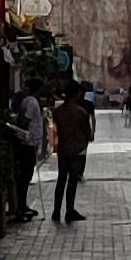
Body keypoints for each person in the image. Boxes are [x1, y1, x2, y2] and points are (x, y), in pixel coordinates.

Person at [50, 83, 95, 223]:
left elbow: (54, 130)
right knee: (72, 181)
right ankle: (69, 210)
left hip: (63, 149)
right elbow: (87, 132)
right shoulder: (80, 112)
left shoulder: (58, 112)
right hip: (76, 150)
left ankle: (56, 211)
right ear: (76, 94)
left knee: (61, 179)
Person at [3, 81, 46, 226]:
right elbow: (24, 121)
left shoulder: (27, 100)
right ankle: (20, 206)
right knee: (25, 175)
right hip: (28, 143)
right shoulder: (32, 102)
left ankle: (22, 205)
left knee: (25, 175)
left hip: (29, 143)